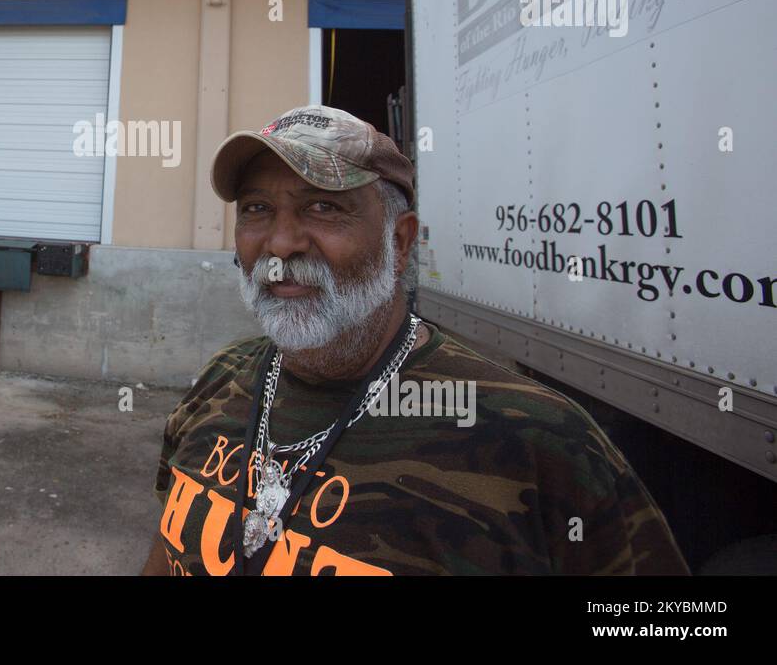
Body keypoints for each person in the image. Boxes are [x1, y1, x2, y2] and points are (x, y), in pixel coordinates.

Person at [141, 105, 688, 576]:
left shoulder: (536, 442)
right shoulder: (220, 380)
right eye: (257, 209)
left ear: (399, 243)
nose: (280, 243)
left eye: (323, 206)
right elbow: (166, 550)